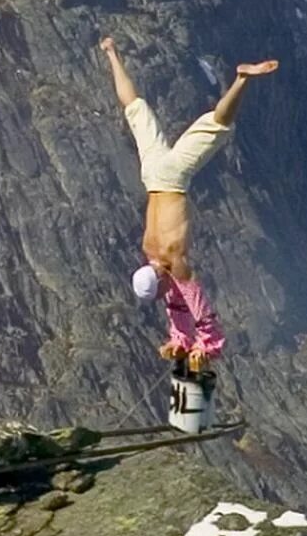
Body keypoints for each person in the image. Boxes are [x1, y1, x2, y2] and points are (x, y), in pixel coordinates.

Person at [100, 36, 278, 280]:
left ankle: (242, 79)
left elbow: (186, 281)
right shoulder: (148, 248)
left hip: (173, 178)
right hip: (151, 176)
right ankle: (111, 52)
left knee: (220, 123)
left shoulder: (173, 254)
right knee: (134, 108)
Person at [132, 261, 224, 372]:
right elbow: (177, 307)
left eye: (159, 294)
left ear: (160, 281)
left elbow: (204, 317)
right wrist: (180, 341)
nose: (160, 297)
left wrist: (204, 349)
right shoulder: (162, 270)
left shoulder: (186, 284)